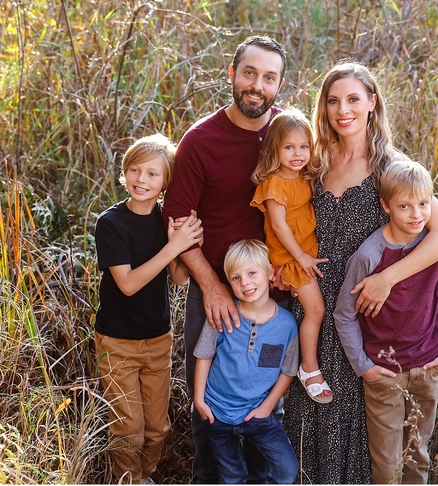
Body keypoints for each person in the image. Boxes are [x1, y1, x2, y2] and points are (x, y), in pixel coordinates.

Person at [282, 60, 438, 484]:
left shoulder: (390, 166)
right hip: (314, 306)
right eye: (332, 101)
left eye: (353, 100)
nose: (342, 110)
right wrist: (282, 268)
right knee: (315, 407)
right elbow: (284, 219)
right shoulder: (314, 161)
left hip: (366, 311)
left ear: (371, 103)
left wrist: (387, 278)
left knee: (369, 420)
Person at [161, 35, 288, 483]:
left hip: (275, 294)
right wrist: (211, 286)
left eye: (269, 78)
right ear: (232, 75)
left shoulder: (286, 135)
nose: (257, 85)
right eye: (249, 73)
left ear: (280, 85)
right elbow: (176, 218)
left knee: (267, 400)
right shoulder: (201, 140)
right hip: (215, 291)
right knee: (213, 405)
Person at [333, 160, 438, 484]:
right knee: (387, 465)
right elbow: (344, 314)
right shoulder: (369, 256)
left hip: (427, 366)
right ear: (385, 205)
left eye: (423, 204)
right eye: (405, 206)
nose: (417, 214)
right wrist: (364, 366)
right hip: (385, 374)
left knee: (418, 455)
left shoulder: (437, 250)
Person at [94, 134, 203, 484]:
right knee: (129, 429)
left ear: (166, 181)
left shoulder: (165, 220)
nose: (142, 180)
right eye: (135, 170)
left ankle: (145, 475)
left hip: (158, 339)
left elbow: (179, 279)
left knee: (157, 428)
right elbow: (127, 284)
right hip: (117, 342)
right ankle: (127, 479)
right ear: (124, 173)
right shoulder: (111, 224)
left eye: (153, 174)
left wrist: (186, 243)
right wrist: (174, 248)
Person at [193, 239, 300, 484]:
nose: (245, 283)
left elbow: (288, 371)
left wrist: (266, 409)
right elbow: (204, 354)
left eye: (252, 273)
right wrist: (199, 400)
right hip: (217, 413)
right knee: (233, 477)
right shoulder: (224, 314)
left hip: (258, 414)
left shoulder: (286, 324)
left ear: (270, 272)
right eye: (236, 278)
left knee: (287, 470)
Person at [250, 109, 332, 404]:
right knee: (316, 310)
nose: (298, 154)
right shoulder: (275, 184)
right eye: (289, 147)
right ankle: (308, 367)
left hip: (304, 254)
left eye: (304, 147)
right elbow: (279, 226)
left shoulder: (303, 177)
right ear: (275, 149)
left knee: (310, 311)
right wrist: (301, 259)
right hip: (291, 258)